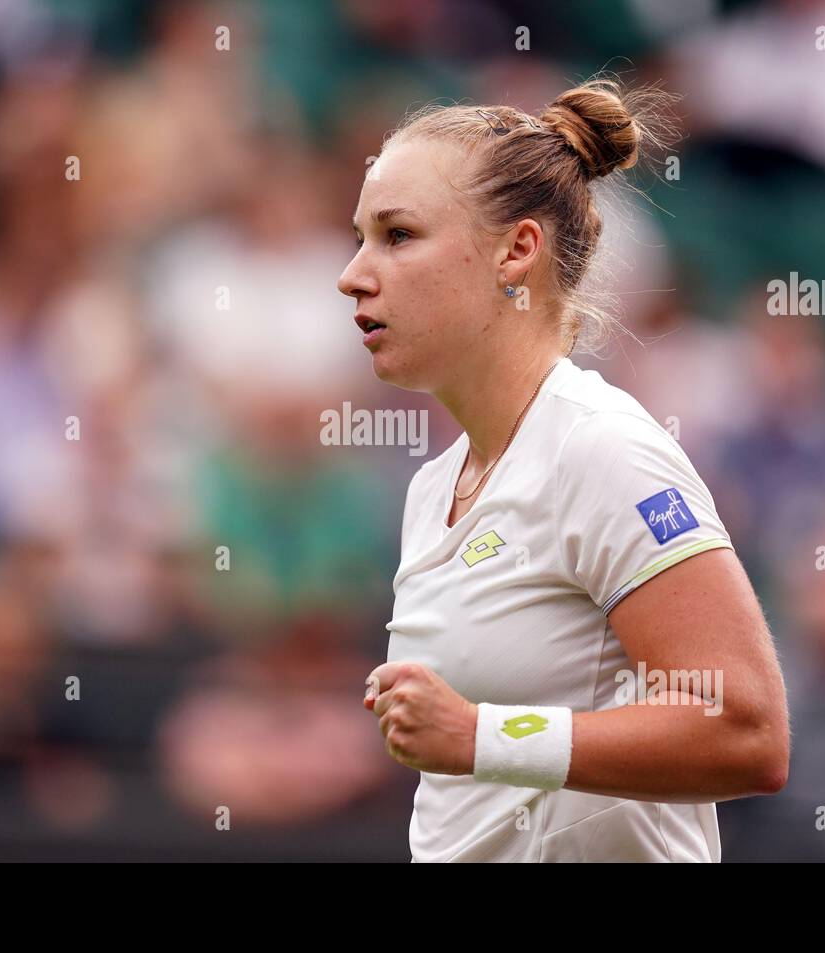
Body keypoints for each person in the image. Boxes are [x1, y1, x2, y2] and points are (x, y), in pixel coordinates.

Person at [338, 79, 790, 862]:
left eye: (398, 235)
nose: (354, 274)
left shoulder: (602, 449)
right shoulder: (428, 491)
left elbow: (745, 728)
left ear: (517, 250)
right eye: (359, 239)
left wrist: (484, 734)